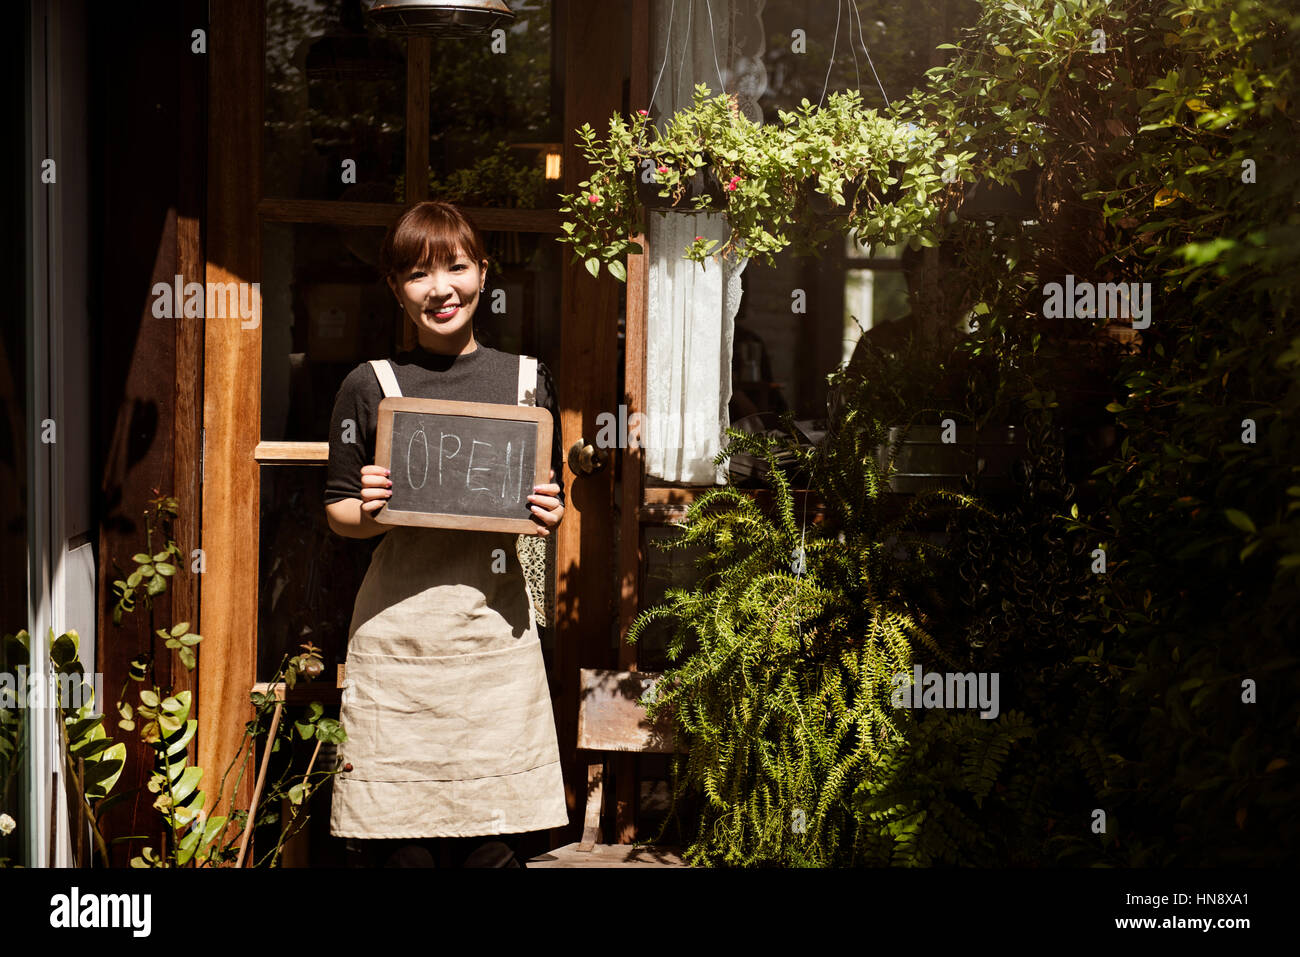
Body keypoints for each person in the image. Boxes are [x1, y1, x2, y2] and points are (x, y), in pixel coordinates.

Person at [322, 200, 569, 867]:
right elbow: (339, 511)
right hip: (399, 637)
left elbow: (551, 506)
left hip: (494, 639)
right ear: (396, 289)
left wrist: (548, 513)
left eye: (457, 266)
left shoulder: (526, 382)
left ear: (483, 273)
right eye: (419, 274)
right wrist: (370, 509)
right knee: (405, 854)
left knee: (492, 848)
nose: (441, 289)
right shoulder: (370, 385)